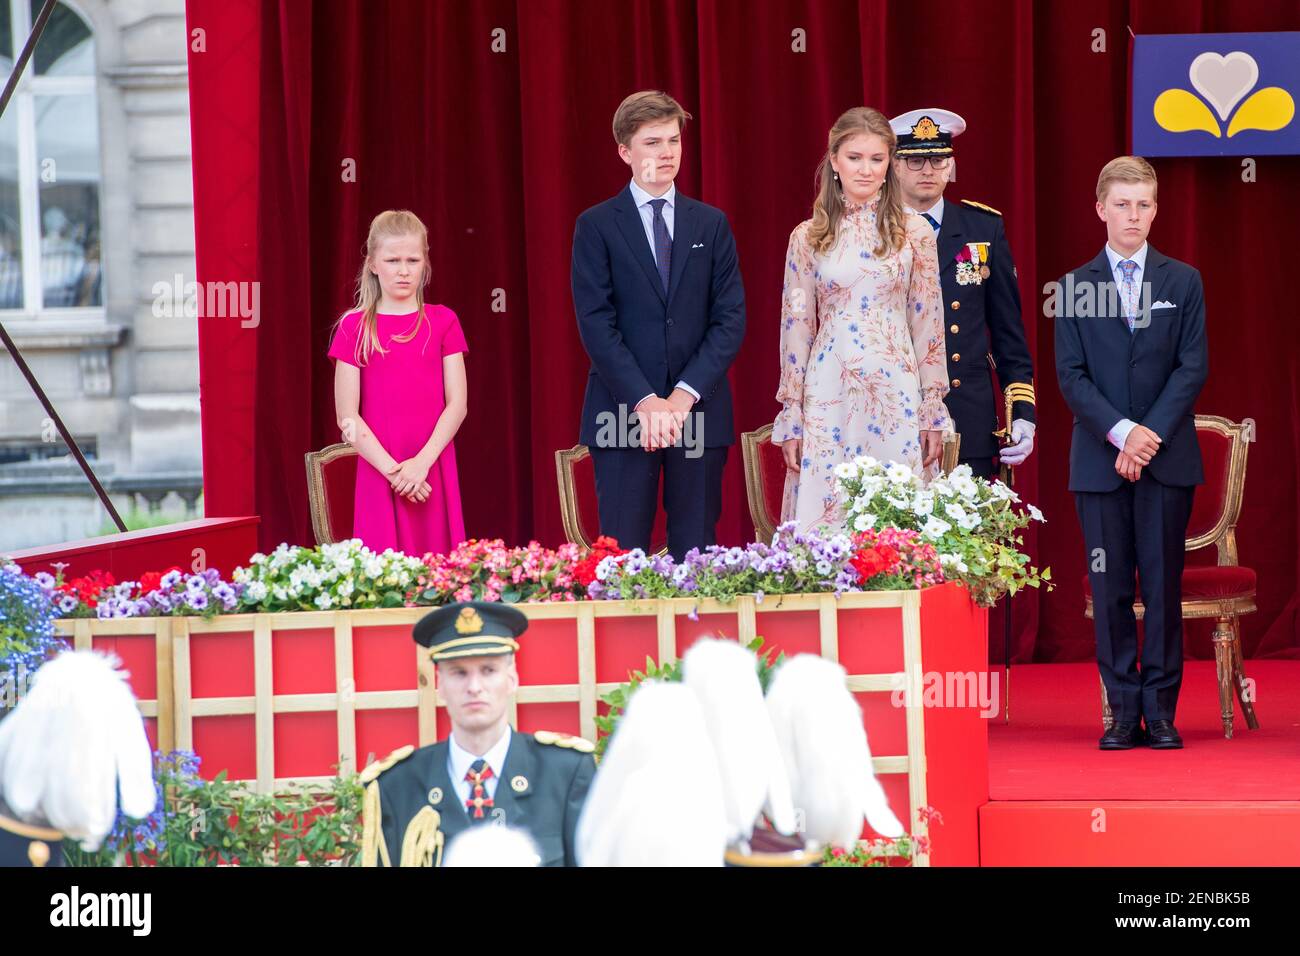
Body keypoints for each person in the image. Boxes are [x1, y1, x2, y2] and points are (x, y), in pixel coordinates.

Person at [1055, 156, 1208, 751]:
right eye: (1122, 203)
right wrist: (1121, 433)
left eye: (1144, 204)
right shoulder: (1073, 288)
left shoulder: (1183, 280)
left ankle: (1162, 711)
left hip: (1167, 461)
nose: (1133, 215)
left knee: (1164, 585)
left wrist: (1149, 437)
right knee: (1110, 586)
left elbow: (1191, 367)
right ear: (1101, 209)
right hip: (1099, 464)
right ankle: (1121, 712)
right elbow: (1071, 376)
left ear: (1155, 209)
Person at [572, 90, 746, 560]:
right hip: (622, 414)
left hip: (700, 413)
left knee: (697, 552)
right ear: (625, 152)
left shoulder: (711, 224)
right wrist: (648, 404)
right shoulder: (596, 226)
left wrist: (682, 398)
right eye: (652, 142)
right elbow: (596, 323)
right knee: (623, 555)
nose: (667, 153)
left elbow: (730, 318)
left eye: (673, 140)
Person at [774, 106, 950, 536]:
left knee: (898, 518)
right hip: (828, 392)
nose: (866, 169)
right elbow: (796, 328)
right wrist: (792, 412)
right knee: (829, 515)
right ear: (834, 160)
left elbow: (928, 322)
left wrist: (932, 407)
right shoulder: (807, 236)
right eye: (855, 157)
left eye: (877, 158)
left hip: (897, 392)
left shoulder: (915, 232)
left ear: (890, 163)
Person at [359, 601, 596, 866]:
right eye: (459, 672)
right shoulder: (397, 785)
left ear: (512, 679)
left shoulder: (564, 774)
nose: (474, 687)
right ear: (440, 685)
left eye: (488, 671)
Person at [888, 109, 1037, 478]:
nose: (927, 170)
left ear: (950, 165)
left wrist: (1022, 415)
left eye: (938, 160)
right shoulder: (874, 233)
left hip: (966, 418)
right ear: (894, 165)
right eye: (915, 160)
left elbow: (1008, 335)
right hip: (891, 414)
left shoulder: (982, 229)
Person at [329, 209, 468, 556]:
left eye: (412, 259)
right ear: (374, 263)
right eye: (392, 260)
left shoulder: (444, 321)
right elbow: (347, 417)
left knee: (440, 573)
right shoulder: (354, 327)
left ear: (425, 263)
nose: (404, 270)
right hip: (381, 473)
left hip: (432, 467)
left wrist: (421, 464)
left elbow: (458, 405)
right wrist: (396, 474)